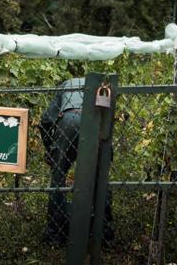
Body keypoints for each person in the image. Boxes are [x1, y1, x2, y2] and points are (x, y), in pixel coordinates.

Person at [38, 78, 113, 246]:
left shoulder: (66, 85)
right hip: (96, 124)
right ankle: (103, 234)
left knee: (58, 177)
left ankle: (55, 234)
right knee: (100, 178)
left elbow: (45, 120)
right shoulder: (103, 86)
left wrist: (51, 149)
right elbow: (108, 120)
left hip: (70, 120)